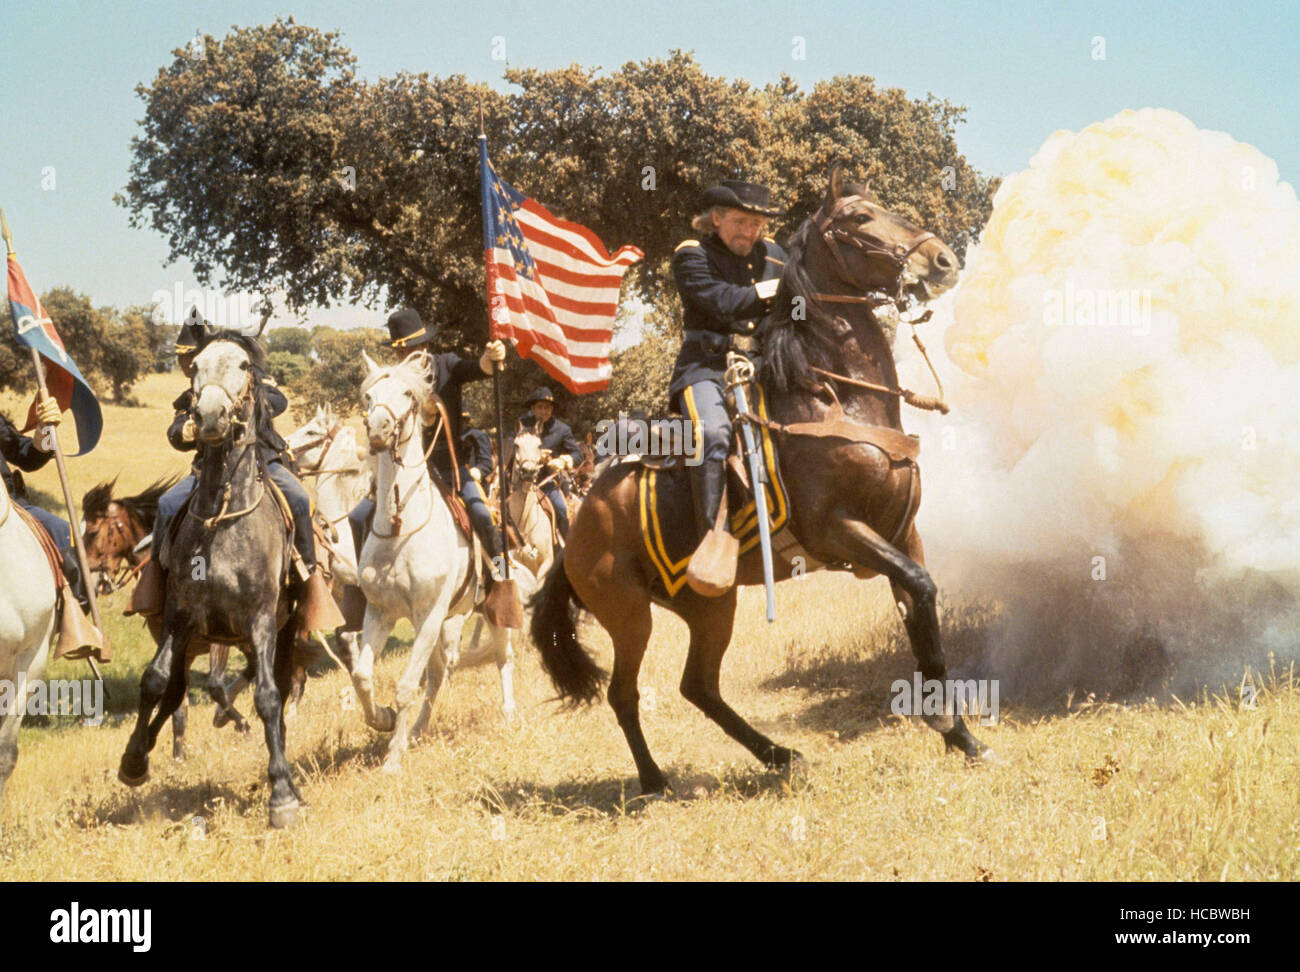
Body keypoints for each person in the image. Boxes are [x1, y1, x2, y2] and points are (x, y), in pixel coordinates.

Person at [136, 310, 334, 625]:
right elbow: (175, 431)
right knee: (167, 503)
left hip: (262, 464)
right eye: (184, 360)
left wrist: (248, 395)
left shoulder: (248, 380)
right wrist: (185, 431)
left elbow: (279, 402)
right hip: (208, 474)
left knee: (300, 500)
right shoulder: (192, 395)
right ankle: (161, 577)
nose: (185, 364)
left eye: (190, 357)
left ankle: (305, 576)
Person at [669, 179, 787, 595]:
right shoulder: (692, 255)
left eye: (756, 224)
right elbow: (718, 301)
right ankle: (711, 539)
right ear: (715, 218)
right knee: (712, 434)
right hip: (707, 368)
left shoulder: (775, 255)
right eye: (740, 221)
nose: (749, 233)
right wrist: (766, 292)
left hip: (765, 366)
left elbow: (799, 310)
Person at [346, 308, 507, 569]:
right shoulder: (393, 381)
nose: (404, 355)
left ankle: (501, 575)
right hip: (401, 473)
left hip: (448, 468)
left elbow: (478, 368)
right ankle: (362, 580)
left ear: (425, 345)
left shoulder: (447, 365)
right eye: (400, 351)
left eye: (411, 348)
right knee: (358, 516)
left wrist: (491, 357)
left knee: (481, 514)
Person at [0, 396, 93, 611]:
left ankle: (76, 615)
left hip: (11, 504)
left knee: (60, 529)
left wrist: (44, 431)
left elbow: (28, 457)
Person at [517, 386, 583, 540]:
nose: (544, 412)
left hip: (547, 481)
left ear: (552, 409)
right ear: (533, 408)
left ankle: (565, 547)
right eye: (540, 407)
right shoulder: (522, 424)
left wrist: (562, 460)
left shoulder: (562, 429)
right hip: (521, 479)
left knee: (561, 509)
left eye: (547, 408)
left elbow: (578, 454)